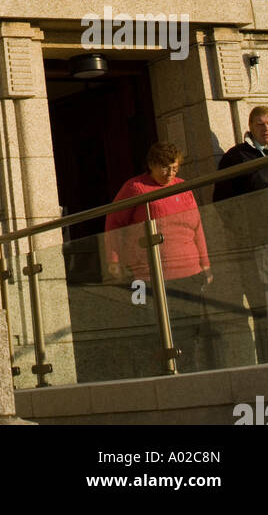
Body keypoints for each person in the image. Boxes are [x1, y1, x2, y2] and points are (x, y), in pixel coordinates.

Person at [105, 142, 211, 373]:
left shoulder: (183, 187)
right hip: (148, 273)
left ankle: (188, 372)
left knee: (189, 328)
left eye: (174, 168)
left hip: (189, 271)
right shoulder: (135, 188)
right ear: (151, 165)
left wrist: (205, 263)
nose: (170, 173)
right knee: (152, 326)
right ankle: (156, 372)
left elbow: (197, 227)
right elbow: (114, 223)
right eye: (164, 168)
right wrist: (113, 260)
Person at [212, 105, 268, 364]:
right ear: (250, 127)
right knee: (266, 309)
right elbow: (222, 202)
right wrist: (246, 232)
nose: (266, 128)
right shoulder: (237, 157)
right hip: (260, 246)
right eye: (261, 124)